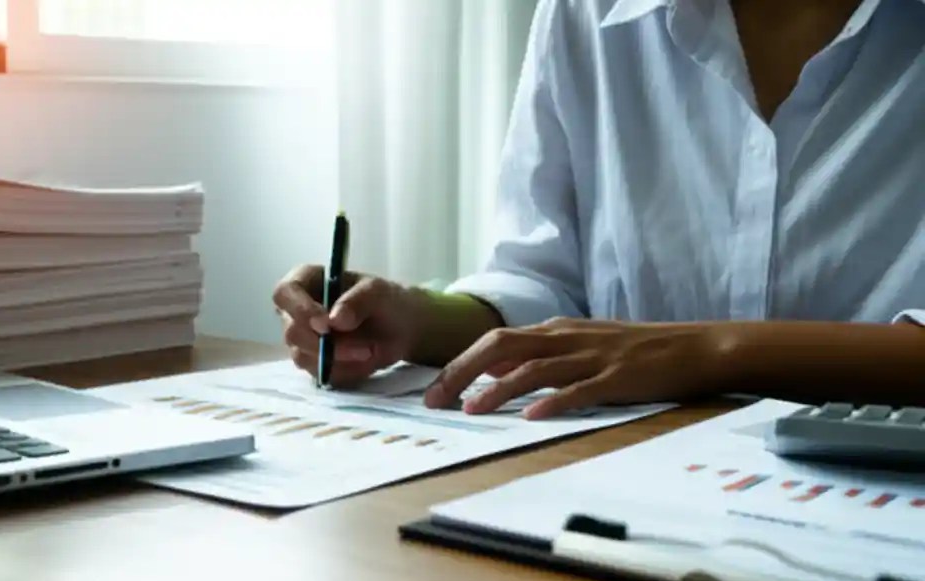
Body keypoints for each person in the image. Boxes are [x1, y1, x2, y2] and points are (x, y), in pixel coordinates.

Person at [274, 0, 925, 419]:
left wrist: (714, 352)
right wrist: (414, 319)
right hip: (633, 480)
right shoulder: (586, 14)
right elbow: (544, 281)